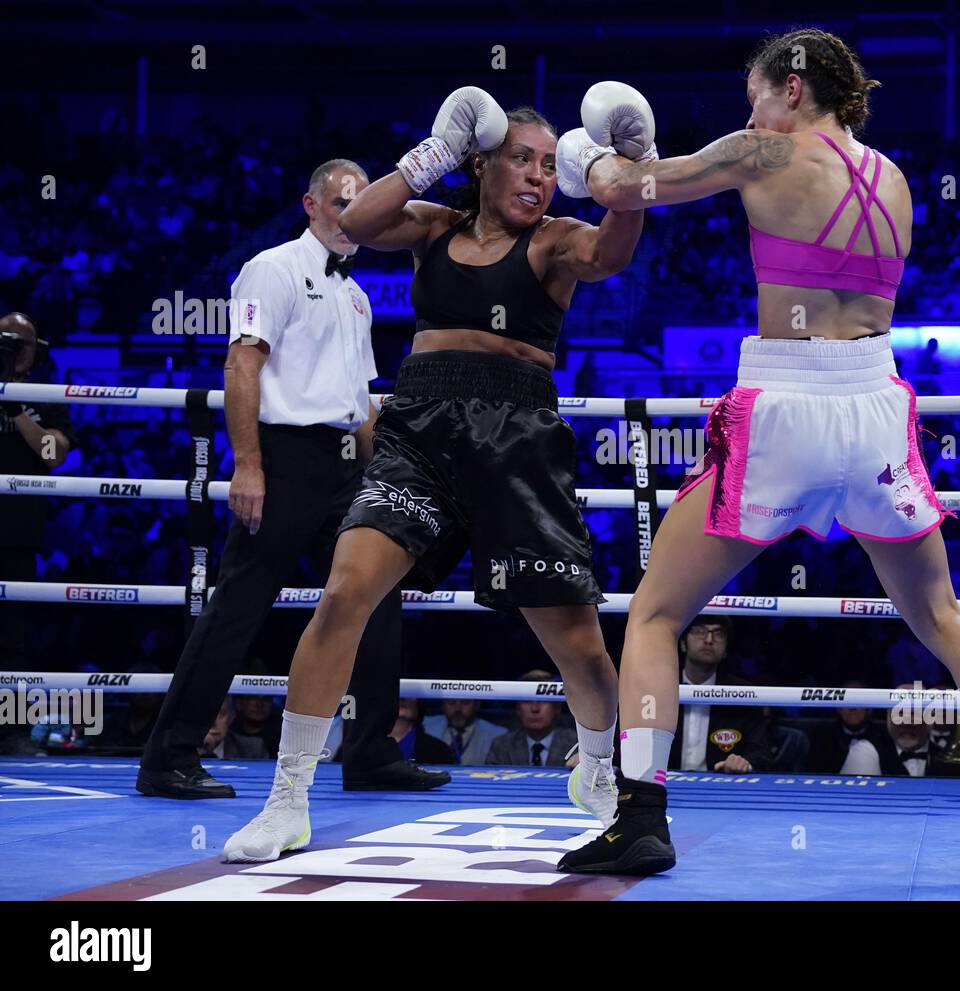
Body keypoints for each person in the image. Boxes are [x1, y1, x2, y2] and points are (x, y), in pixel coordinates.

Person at [556, 30, 960, 875]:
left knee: (656, 613)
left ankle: (642, 815)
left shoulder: (765, 151)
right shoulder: (898, 181)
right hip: (876, 404)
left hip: (790, 404)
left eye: (757, 92)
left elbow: (625, 189)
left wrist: (587, 152)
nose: (750, 109)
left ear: (794, 87)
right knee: (941, 616)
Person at [223, 86, 646, 862]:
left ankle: (594, 764)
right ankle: (286, 798)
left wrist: (633, 175)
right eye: (522, 158)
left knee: (580, 645)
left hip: (518, 437)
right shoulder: (433, 227)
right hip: (419, 428)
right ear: (481, 162)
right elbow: (354, 224)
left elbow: (612, 254)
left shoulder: (554, 240)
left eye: (552, 165)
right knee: (346, 590)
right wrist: (433, 151)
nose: (539, 176)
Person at [136, 160, 444, 799]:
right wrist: (247, 464)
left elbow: (360, 399)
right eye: (339, 202)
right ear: (310, 204)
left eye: (361, 204)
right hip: (282, 460)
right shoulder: (269, 269)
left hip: (343, 467)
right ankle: (168, 756)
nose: (350, 215)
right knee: (239, 606)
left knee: (379, 592)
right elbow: (242, 363)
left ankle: (369, 752)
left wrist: (381, 475)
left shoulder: (356, 296)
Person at [0, 312, 74, 666]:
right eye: (5, 341)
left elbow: (53, 455)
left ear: (36, 350)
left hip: (17, 533)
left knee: (13, 637)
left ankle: (10, 720)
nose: (12, 350)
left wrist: (16, 411)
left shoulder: (46, 396)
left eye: (20, 343)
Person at [661, 614, 774, 774]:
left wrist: (744, 763)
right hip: (664, 783)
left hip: (720, 786)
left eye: (718, 634)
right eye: (700, 631)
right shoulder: (658, 688)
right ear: (683, 643)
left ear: (726, 649)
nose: (708, 639)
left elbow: (761, 754)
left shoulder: (743, 694)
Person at [485, 671, 579, 767]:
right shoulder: (501, 746)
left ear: (557, 707)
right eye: (527, 701)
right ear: (518, 708)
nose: (535, 709)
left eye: (543, 701)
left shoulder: (577, 745)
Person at [423, 699, 507, 765]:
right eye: (451, 702)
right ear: (443, 704)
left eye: (465, 703)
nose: (457, 709)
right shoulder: (425, 726)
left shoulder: (497, 735)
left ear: (477, 704)